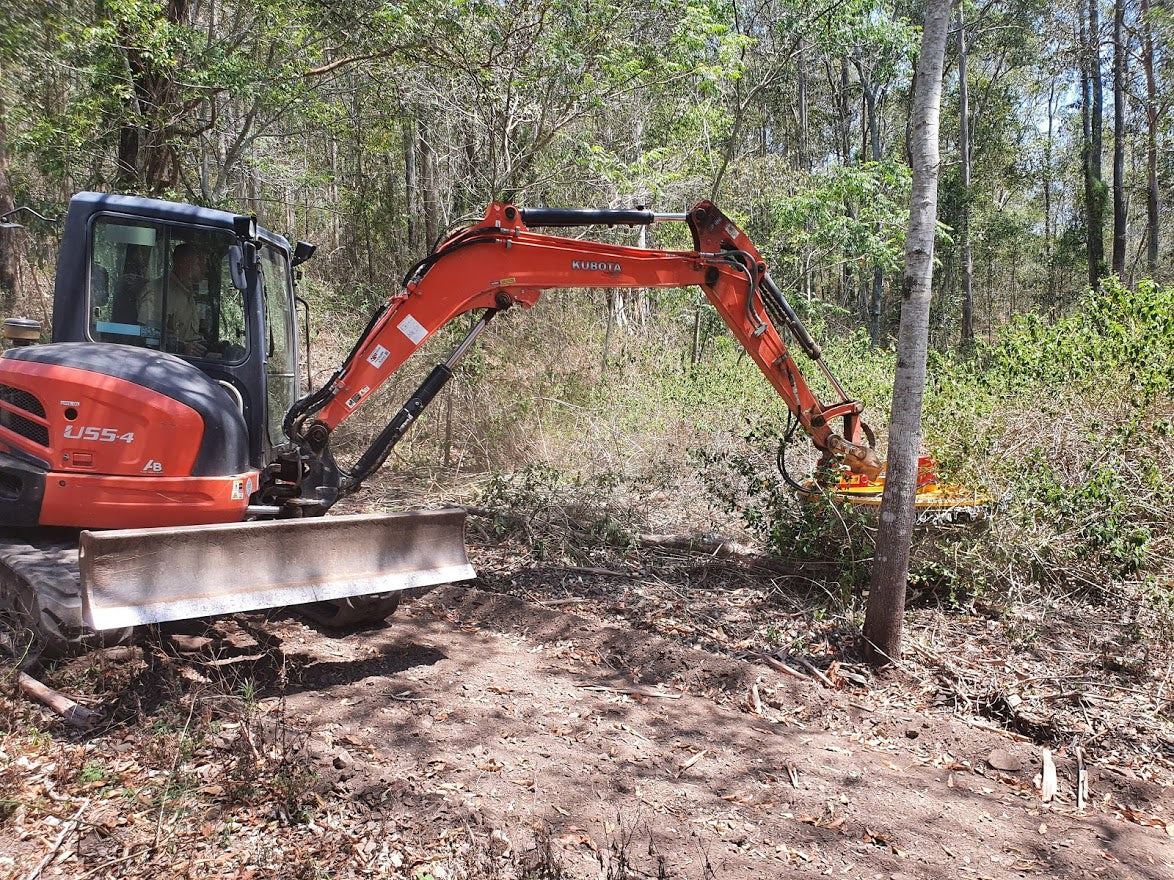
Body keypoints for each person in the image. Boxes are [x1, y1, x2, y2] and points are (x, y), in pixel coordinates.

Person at [138, 242, 208, 356]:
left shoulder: (188, 292)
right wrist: (182, 348)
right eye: (198, 264)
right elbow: (148, 335)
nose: (204, 269)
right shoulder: (158, 292)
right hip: (169, 361)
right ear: (184, 263)